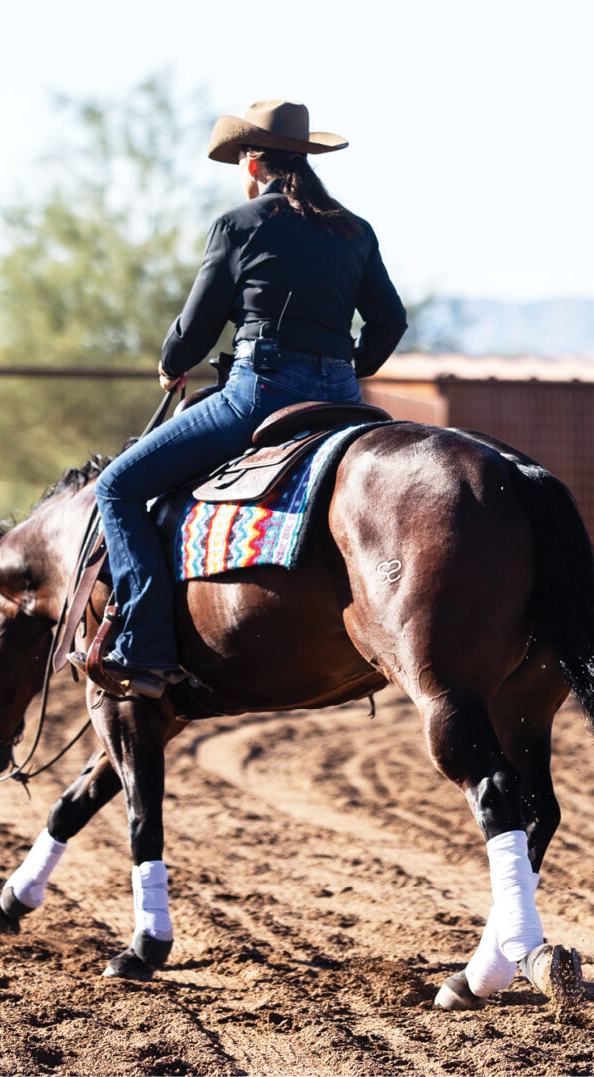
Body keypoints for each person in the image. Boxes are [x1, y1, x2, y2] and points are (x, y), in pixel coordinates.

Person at [69, 99, 408, 699]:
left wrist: (172, 363)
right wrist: (343, 369)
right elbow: (390, 322)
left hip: (260, 393)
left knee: (117, 487)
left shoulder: (240, 224)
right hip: (342, 396)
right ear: (302, 158)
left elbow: (197, 328)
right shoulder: (355, 229)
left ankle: (144, 648)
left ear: (253, 161)